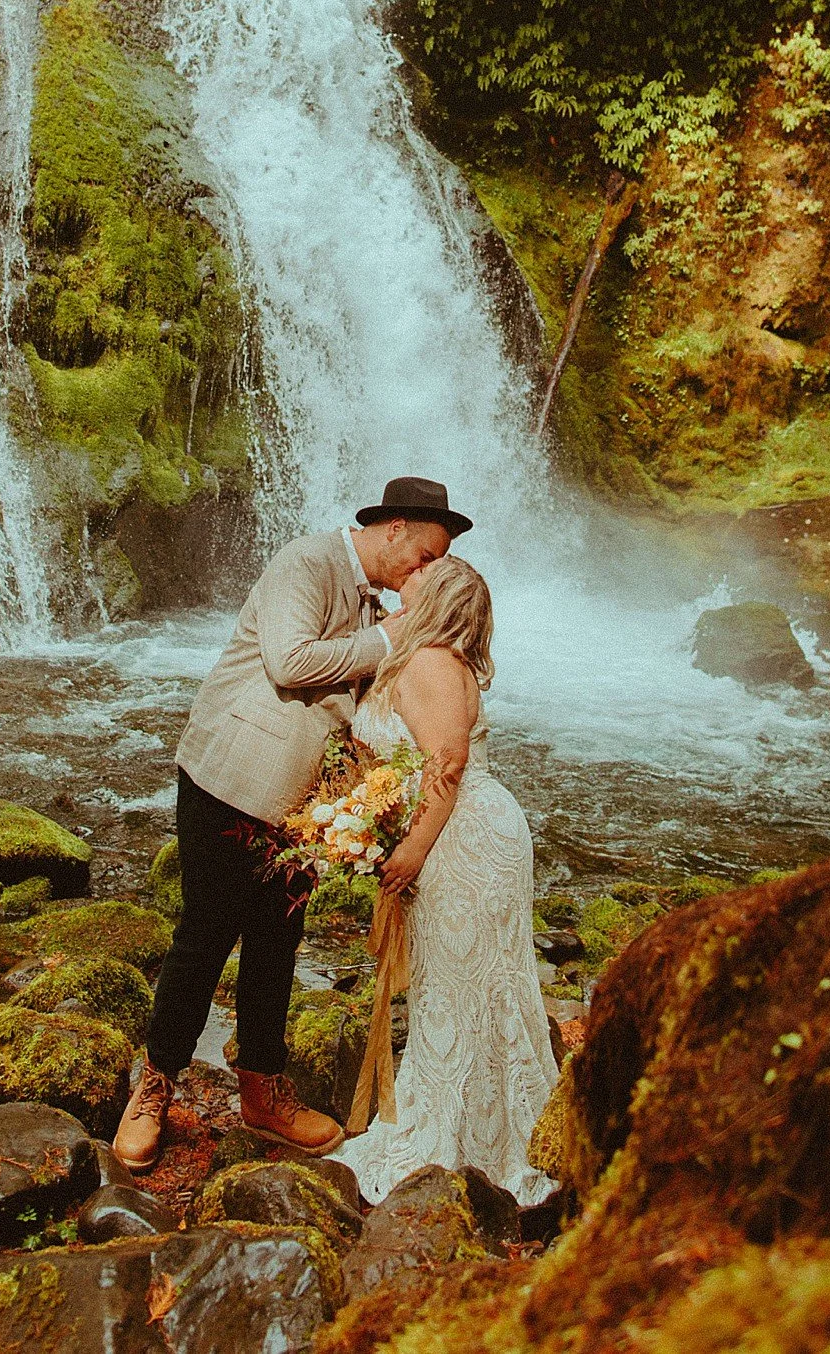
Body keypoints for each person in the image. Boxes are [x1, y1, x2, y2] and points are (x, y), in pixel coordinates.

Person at [113, 475, 472, 1171]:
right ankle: (154, 1086)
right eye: (424, 556)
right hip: (231, 779)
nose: (424, 573)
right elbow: (291, 661)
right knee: (204, 937)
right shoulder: (307, 563)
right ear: (393, 528)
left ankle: (262, 1089)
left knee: (278, 942)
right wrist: (391, 632)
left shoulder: (383, 599)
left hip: (308, 804)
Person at [340, 554, 558, 1206]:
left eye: (421, 578)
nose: (404, 579)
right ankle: (486, 1137)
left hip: (464, 837)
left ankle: (463, 1147)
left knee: (461, 990)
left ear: (438, 599)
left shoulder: (432, 660)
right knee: (465, 989)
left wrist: (409, 849)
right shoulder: (431, 659)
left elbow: (449, 763)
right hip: (464, 830)